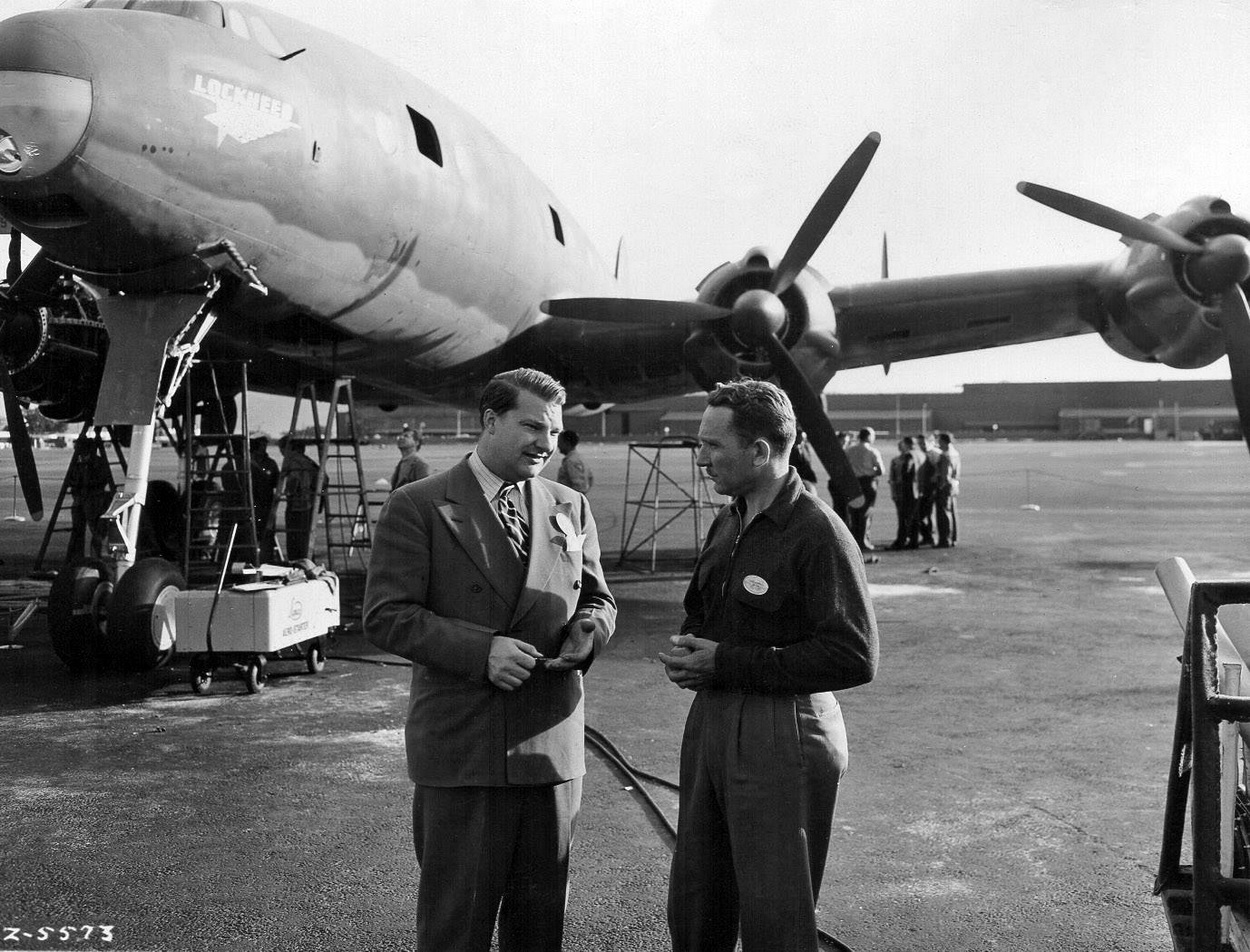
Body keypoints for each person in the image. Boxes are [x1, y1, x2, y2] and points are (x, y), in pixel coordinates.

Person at [363, 367, 616, 952]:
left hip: (549, 746)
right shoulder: (419, 504)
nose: (546, 443)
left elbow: (598, 597)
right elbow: (386, 615)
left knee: (540, 928)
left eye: (554, 432)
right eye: (532, 427)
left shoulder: (570, 504)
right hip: (467, 749)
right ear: (490, 421)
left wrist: (590, 630)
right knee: (458, 927)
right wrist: (483, 652)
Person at [658, 379, 879, 952]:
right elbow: (702, 610)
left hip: (782, 728)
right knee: (697, 895)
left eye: (713, 445)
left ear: (759, 451)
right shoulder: (728, 520)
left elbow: (855, 655)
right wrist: (693, 653)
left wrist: (727, 661)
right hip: (713, 719)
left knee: (775, 911)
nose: (701, 458)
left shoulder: (817, 531)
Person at [67, 435, 113, 560]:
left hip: (93, 500)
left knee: (96, 531)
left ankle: (95, 557)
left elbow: (101, 480)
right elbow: (71, 480)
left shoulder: (96, 463)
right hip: (81, 500)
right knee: (78, 531)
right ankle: (77, 558)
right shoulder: (78, 463)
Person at [278, 436, 319, 561]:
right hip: (309, 504)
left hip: (297, 504)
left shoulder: (293, 461)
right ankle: (307, 561)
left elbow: (294, 479)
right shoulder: (308, 461)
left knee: (295, 540)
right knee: (305, 538)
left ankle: (297, 563)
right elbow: (324, 479)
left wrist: (289, 491)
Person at [844, 426, 883, 552]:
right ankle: (864, 541)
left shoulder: (849, 450)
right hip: (867, 483)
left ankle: (853, 541)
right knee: (866, 513)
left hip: (853, 483)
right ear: (868, 437)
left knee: (854, 513)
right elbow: (881, 470)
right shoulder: (872, 451)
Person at [888, 436, 923, 550]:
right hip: (918, 489)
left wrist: (899, 483)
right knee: (914, 517)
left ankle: (901, 541)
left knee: (904, 517)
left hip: (907, 490)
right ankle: (913, 541)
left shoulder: (909, 455)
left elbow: (906, 470)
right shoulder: (921, 454)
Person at [249, 435, 280, 560]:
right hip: (253, 502)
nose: (264, 448)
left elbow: (277, 482)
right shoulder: (248, 463)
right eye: (261, 445)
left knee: (267, 533)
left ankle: (267, 559)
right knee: (251, 532)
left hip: (266, 503)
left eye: (265, 445)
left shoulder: (271, 463)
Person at [935, 431, 962, 548]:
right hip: (954, 484)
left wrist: (940, 486)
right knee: (952, 512)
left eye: (939, 441)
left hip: (946, 485)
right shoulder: (955, 453)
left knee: (944, 513)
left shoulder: (945, 455)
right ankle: (953, 537)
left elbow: (945, 473)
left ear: (944, 441)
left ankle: (945, 539)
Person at [915, 433, 940, 546]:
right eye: (920, 443)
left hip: (930, 489)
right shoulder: (924, 454)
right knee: (923, 514)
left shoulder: (934, 454)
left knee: (927, 514)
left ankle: (931, 537)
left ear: (931, 442)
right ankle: (927, 536)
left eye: (923, 443)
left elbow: (938, 471)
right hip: (923, 488)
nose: (921, 446)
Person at [554, 428, 593, 493]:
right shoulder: (578, 458)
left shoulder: (571, 461)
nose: (558, 445)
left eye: (560, 442)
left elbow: (579, 486)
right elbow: (590, 479)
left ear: (567, 443)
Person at [789, 428, 818, 494]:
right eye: (800, 437)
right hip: (798, 479)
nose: (802, 440)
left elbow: (808, 461)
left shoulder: (805, 447)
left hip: (808, 478)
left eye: (803, 438)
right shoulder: (790, 450)